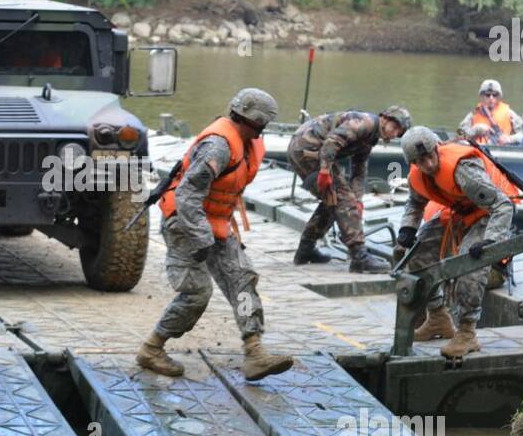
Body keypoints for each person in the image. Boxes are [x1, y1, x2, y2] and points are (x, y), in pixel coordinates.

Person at [136, 88, 294, 381]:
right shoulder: (217, 147)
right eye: (263, 124)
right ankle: (152, 348)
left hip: (216, 223)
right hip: (184, 225)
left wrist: (213, 234)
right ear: (253, 121)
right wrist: (201, 239)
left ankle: (254, 351)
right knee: (197, 293)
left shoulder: (246, 143)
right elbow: (186, 196)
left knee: (242, 281)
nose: (264, 130)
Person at [395, 127, 521, 358]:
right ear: (413, 163)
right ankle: (437, 317)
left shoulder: (463, 170)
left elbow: (503, 206)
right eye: (420, 161)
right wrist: (407, 228)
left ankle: (466, 332)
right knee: (417, 253)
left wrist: (491, 240)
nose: (428, 164)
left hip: (488, 213)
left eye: (430, 156)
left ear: (437, 149)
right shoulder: (417, 176)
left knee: (469, 264)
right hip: (460, 212)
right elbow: (414, 204)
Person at [287, 105, 412, 271]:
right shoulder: (366, 123)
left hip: (307, 149)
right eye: (394, 127)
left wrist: (358, 200)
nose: (394, 133)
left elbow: (359, 171)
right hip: (309, 148)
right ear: (385, 118)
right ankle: (359, 256)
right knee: (343, 200)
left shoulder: (370, 137)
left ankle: (306, 249)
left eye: (399, 132)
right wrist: (325, 171)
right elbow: (331, 142)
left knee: (333, 201)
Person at [458, 79, 521, 145]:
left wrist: (510, 139)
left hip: (502, 150)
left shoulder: (509, 113)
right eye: (487, 95)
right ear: (482, 96)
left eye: (494, 95)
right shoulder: (473, 114)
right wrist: (476, 129)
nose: (491, 98)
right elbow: (459, 135)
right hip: (478, 151)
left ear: (499, 97)